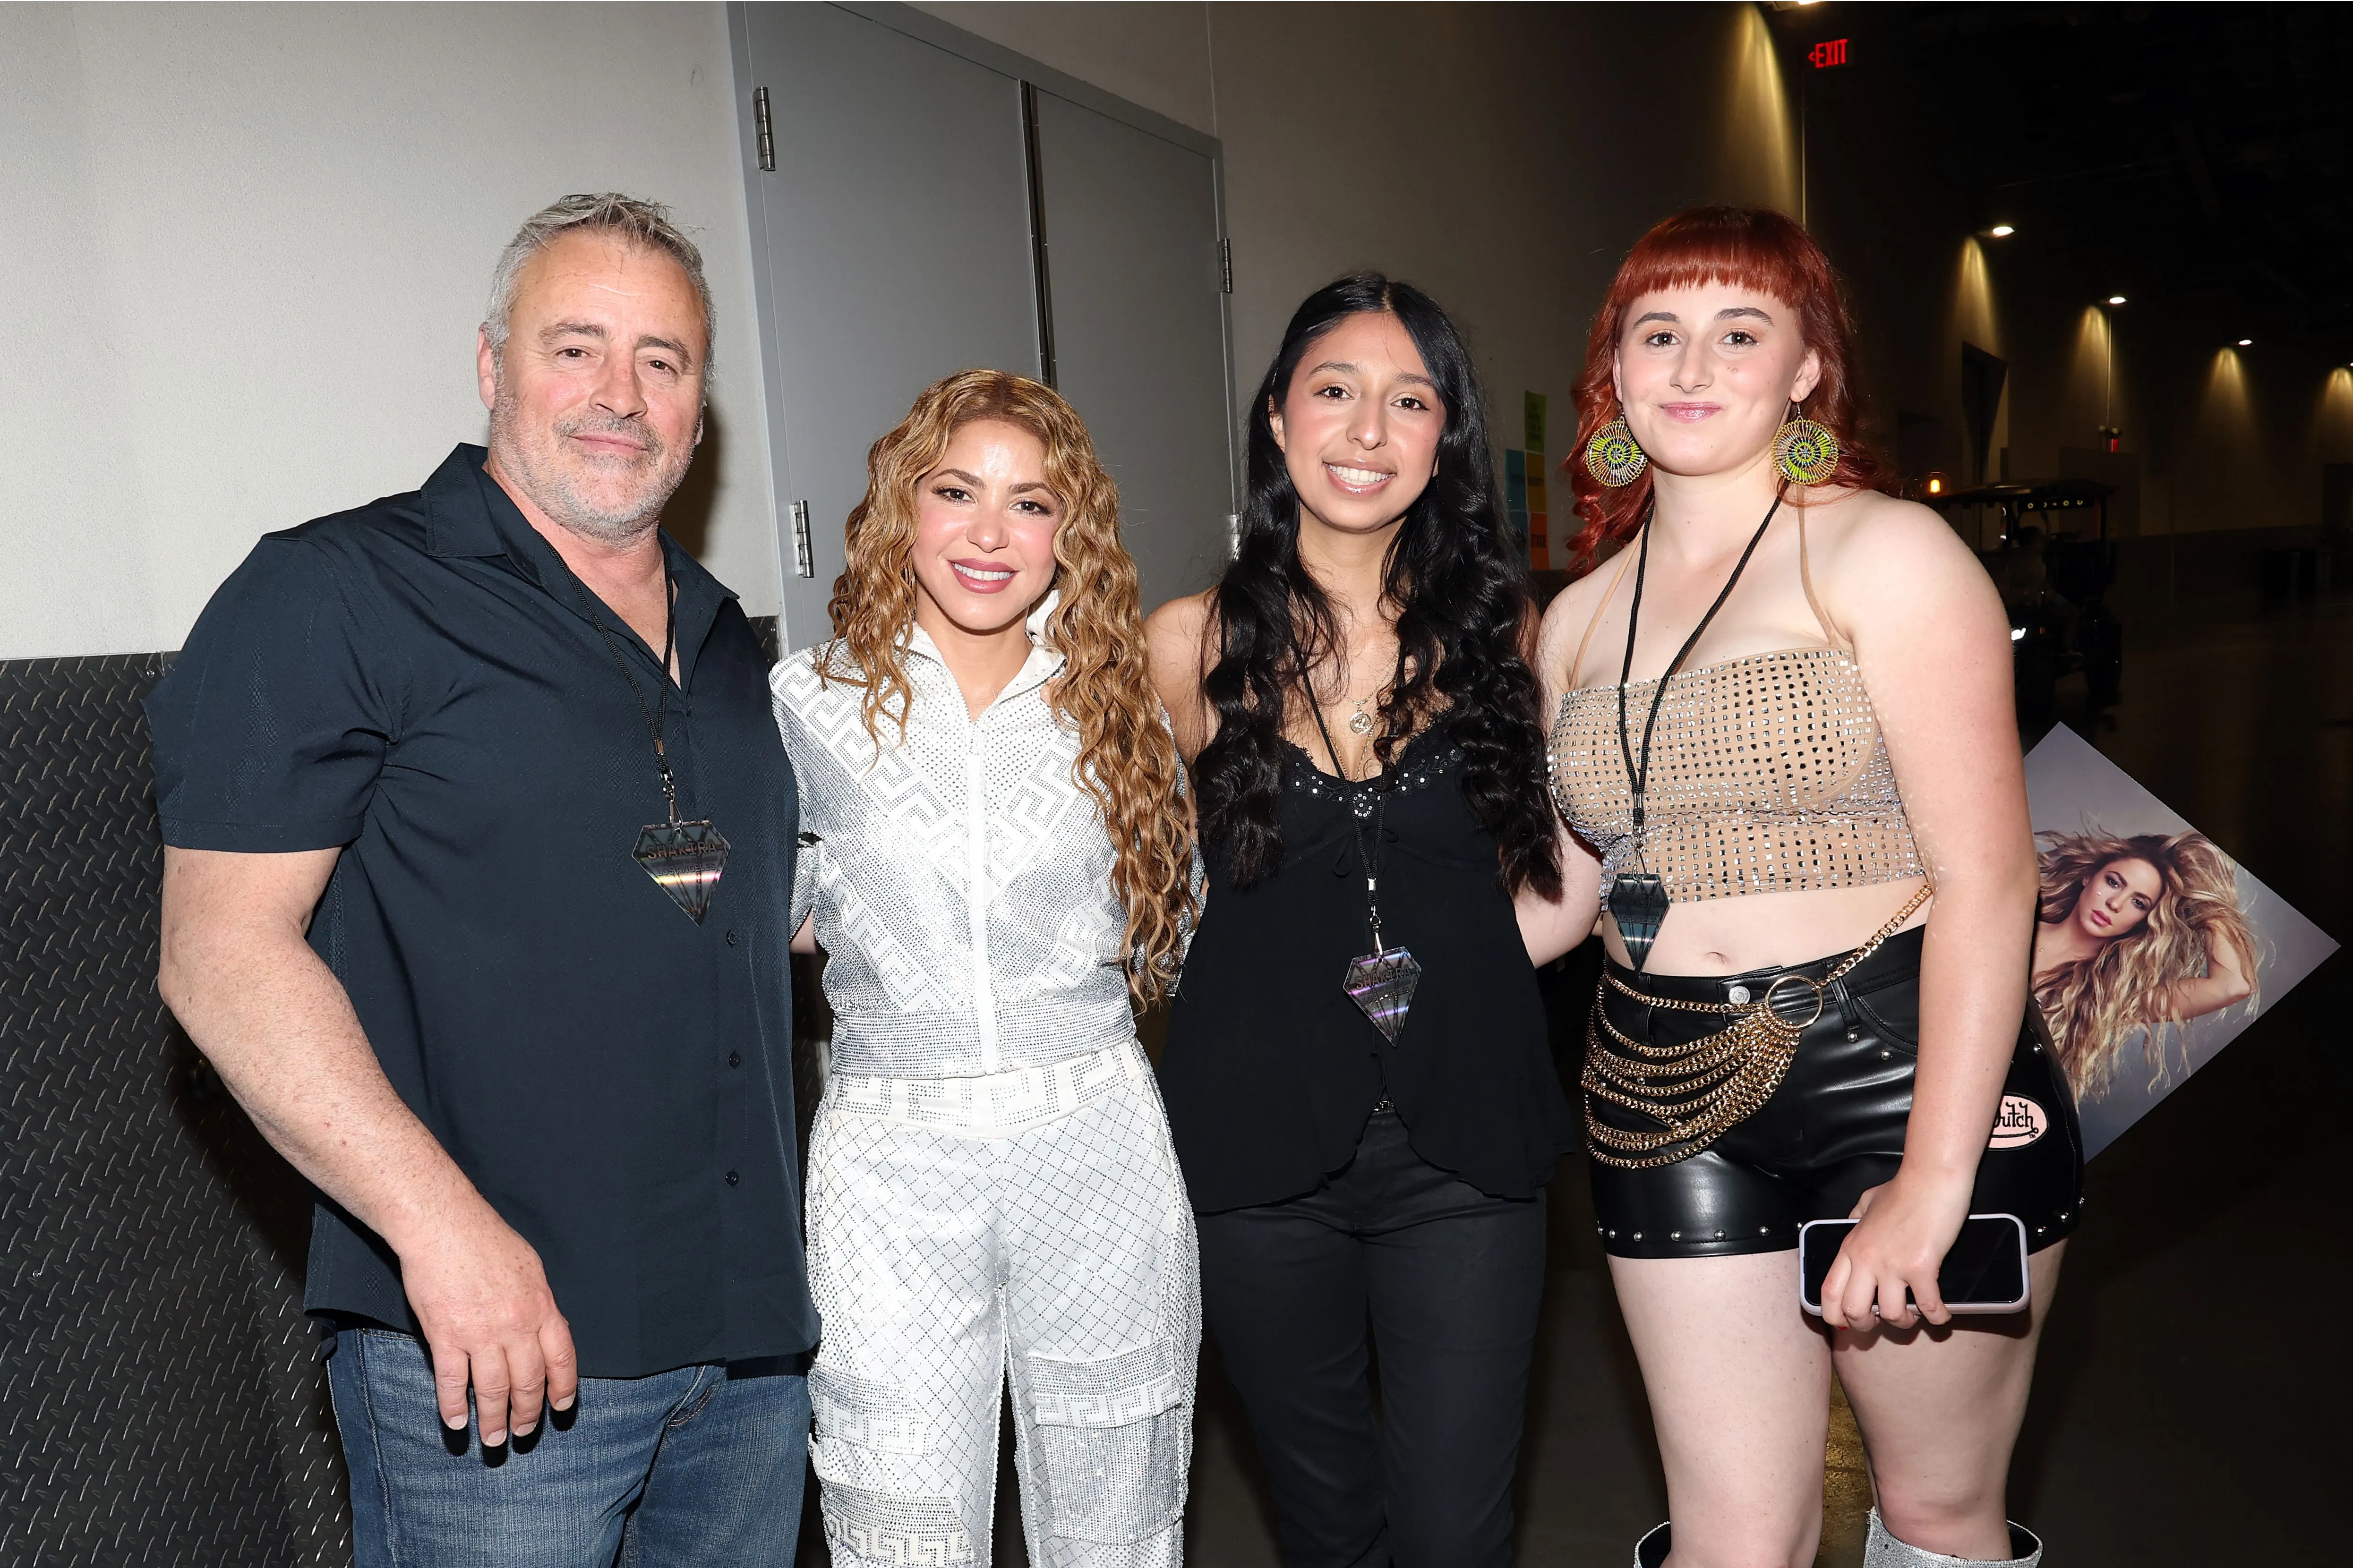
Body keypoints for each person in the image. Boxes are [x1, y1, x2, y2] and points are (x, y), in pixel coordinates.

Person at [151, 194, 815, 1566]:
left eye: (663, 359)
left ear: (700, 404)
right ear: (490, 365)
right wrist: (442, 1232)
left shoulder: (729, 635)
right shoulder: (330, 591)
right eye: (575, 347)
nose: (619, 396)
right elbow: (221, 954)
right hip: (501, 1354)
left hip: (752, 1341)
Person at [1521, 207, 2083, 1568]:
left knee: (1932, 1510)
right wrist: (1364, 960)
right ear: (1615, 372)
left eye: (1738, 331)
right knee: (1730, 1536)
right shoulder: (1579, 614)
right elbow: (1571, 891)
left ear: (1804, 373)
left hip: (1894, 1070)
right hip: (1655, 1088)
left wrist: (1934, 1177)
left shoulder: (1883, 555)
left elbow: (1989, 880)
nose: (1692, 363)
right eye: (1658, 332)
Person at [1147, 274, 1572, 1568]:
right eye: (1333, 392)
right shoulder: (1186, 644)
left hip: (1466, 1149)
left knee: (1455, 1533)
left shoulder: (1510, 636)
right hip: (1255, 1150)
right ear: (1277, 419)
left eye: (1408, 401)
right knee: (1326, 1529)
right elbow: (1126, 890)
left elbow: (1549, 882)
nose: (1366, 431)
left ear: (1442, 440)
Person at [772, 369, 1201, 1567]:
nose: (988, 533)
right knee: (894, 1513)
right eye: (955, 492)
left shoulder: (1116, 704)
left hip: (1093, 1136)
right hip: (890, 1155)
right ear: (899, 507)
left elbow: (1172, 918)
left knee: (1113, 1510)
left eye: (1031, 503)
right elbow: (778, 910)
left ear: (1072, 535)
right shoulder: (808, 701)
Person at [2030, 827, 2258, 1102]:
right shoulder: (2014, 924)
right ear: (2088, 876)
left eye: (2138, 903)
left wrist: (2205, 893)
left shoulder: (2112, 996)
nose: (2116, 904)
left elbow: (2232, 985)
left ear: (2145, 919)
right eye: (2114, 883)